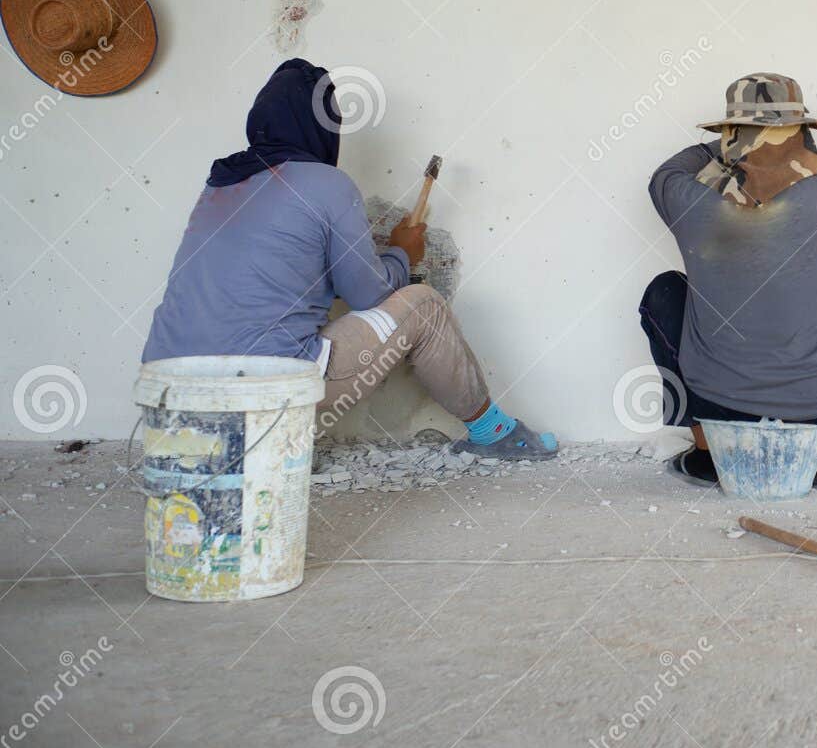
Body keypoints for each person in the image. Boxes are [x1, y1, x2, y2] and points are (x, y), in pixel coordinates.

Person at [142, 58, 556, 461]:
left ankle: (232, 449)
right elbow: (368, 294)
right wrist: (402, 253)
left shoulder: (219, 184)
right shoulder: (327, 184)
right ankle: (494, 433)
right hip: (265, 388)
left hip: (168, 391)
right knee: (424, 306)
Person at [639, 74, 817, 487]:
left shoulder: (687, 196)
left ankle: (706, 451)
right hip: (814, 403)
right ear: (800, 134)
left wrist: (728, 148)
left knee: (664, 290)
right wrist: (798, 167)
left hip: (713, 399)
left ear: (730, 133)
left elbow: (664, 173)